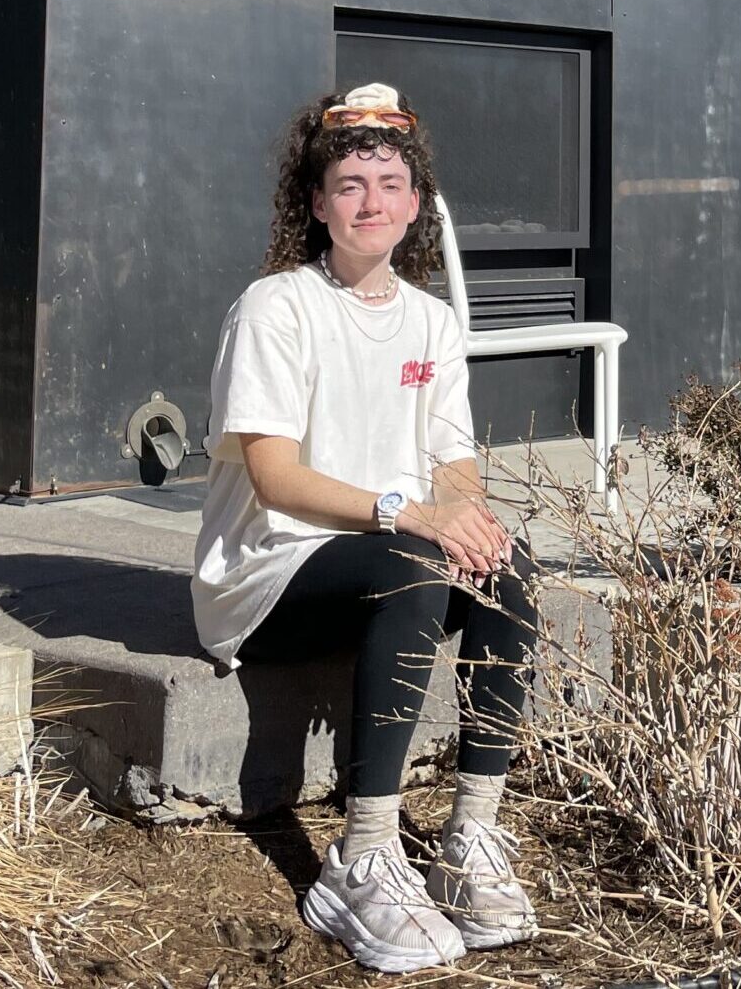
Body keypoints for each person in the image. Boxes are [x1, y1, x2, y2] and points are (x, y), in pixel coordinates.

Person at [192, 82, 540, 973]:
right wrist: (411, 515)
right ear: (316, 202)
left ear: (416, 204)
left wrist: (465, 519)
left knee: (507, 564)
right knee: (416, 565)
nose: (371, 201)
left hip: (390, 558)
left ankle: (471, 837)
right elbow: (274, 476)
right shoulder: (278, 306)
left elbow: (453, 464)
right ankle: (363, 855)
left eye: (389, 183)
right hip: (271, 575)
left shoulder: (432, 322)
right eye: (349, 183)